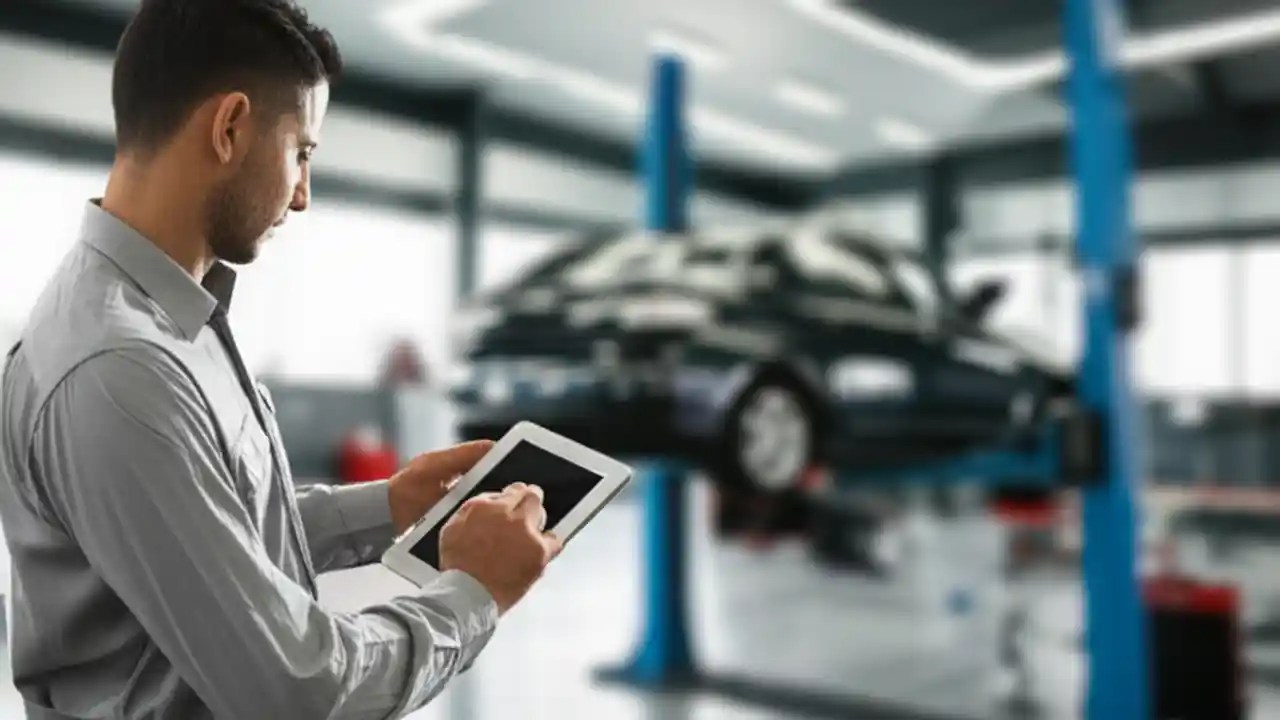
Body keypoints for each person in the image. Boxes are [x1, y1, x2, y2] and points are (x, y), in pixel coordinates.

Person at [0, 1, 562, 718]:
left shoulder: (168, 319)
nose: (302, 196)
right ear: (229, 127)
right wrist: (473, 591)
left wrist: (388, 508)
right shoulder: (116, 370)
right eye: (302, 151)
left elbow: (209, 530)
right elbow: (300, 691)